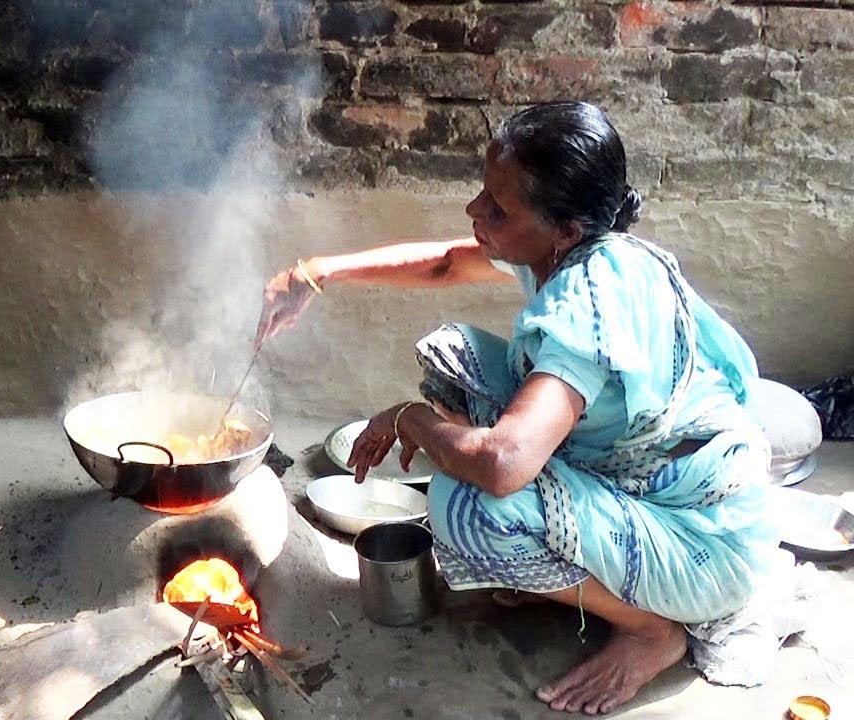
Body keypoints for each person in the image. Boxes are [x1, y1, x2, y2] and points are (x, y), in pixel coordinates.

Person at [257, 102, 780, 715]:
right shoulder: (574, 250)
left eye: (498, 209)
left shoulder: (586, 305)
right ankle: (576, 574)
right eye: (483, 194)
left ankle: (650, 630)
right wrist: (315, 273)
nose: (475, 212)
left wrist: (411, 419)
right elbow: (447, 262)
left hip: (705, 547)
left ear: (566, 228)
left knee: (470, 506)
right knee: (458, 359)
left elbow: (505, 463)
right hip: (651, 480)